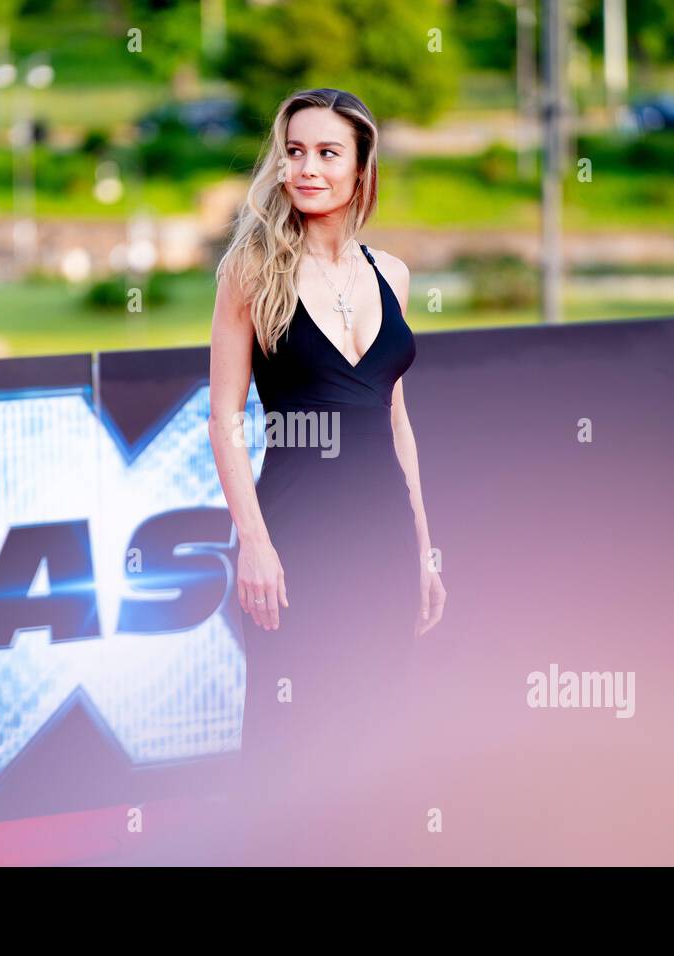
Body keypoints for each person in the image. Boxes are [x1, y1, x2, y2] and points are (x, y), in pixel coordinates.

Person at [208, 88, 446, 860]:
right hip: (296, 539)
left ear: (362, 169)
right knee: (292, 735)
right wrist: (254, 542)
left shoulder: (394, 275)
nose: (307, 167)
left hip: (379, 535)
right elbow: (224, 420)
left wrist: (423, 548)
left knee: (375, 732)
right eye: (296, 150)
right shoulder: (250, 270)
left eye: (327, 152)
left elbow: (396, 421)